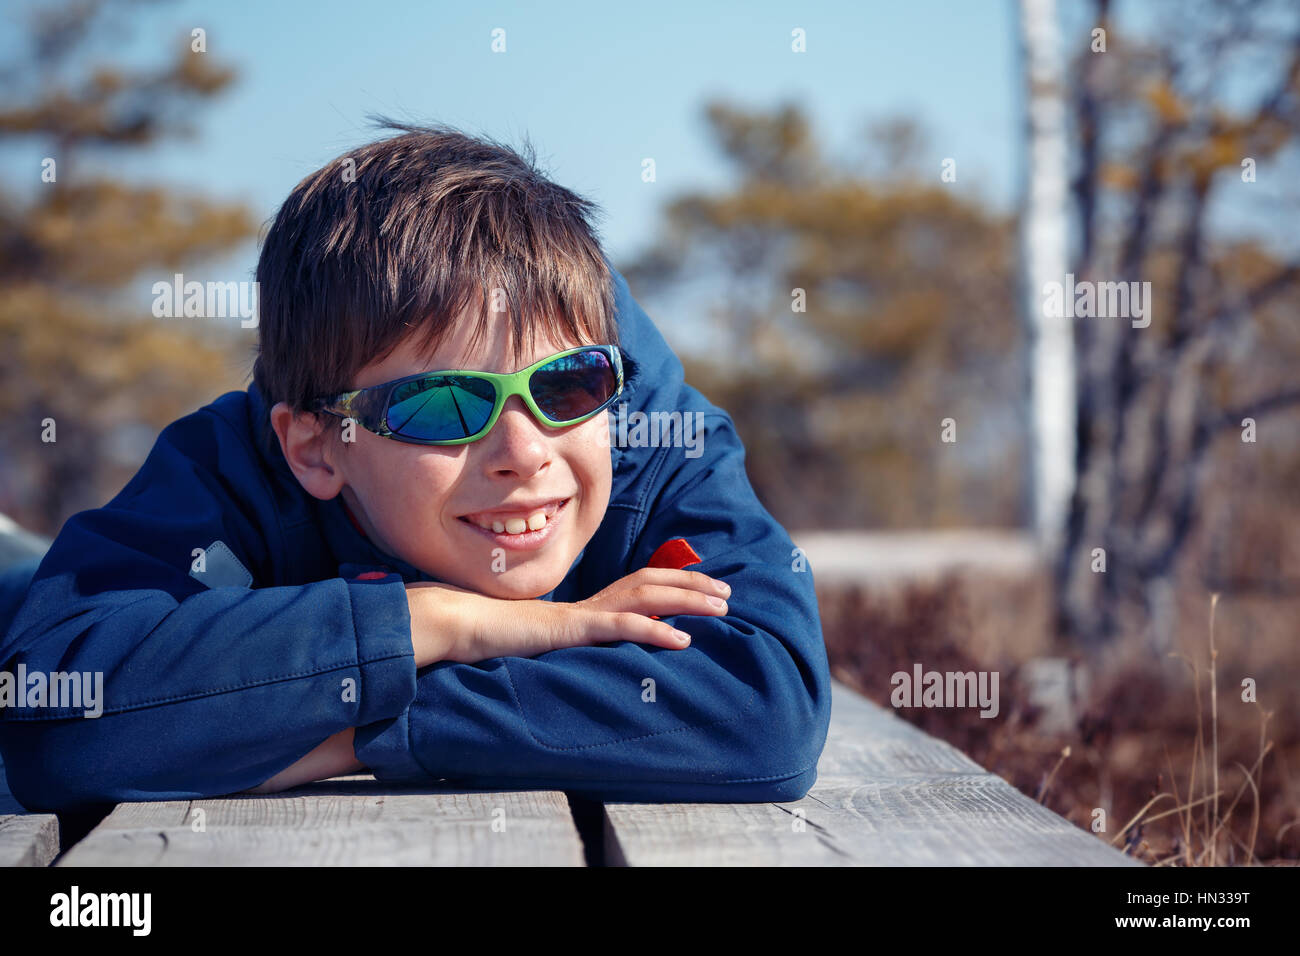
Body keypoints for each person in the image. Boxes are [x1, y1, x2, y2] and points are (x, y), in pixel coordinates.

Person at [0, 120, 831, 814]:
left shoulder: (639, 425)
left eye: (566, 384)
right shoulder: (237, 468)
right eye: (444, 405)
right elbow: (55, 717)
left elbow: (767, 711)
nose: (526, 453)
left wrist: (354, 726)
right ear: (316, 448)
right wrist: (435, 622)